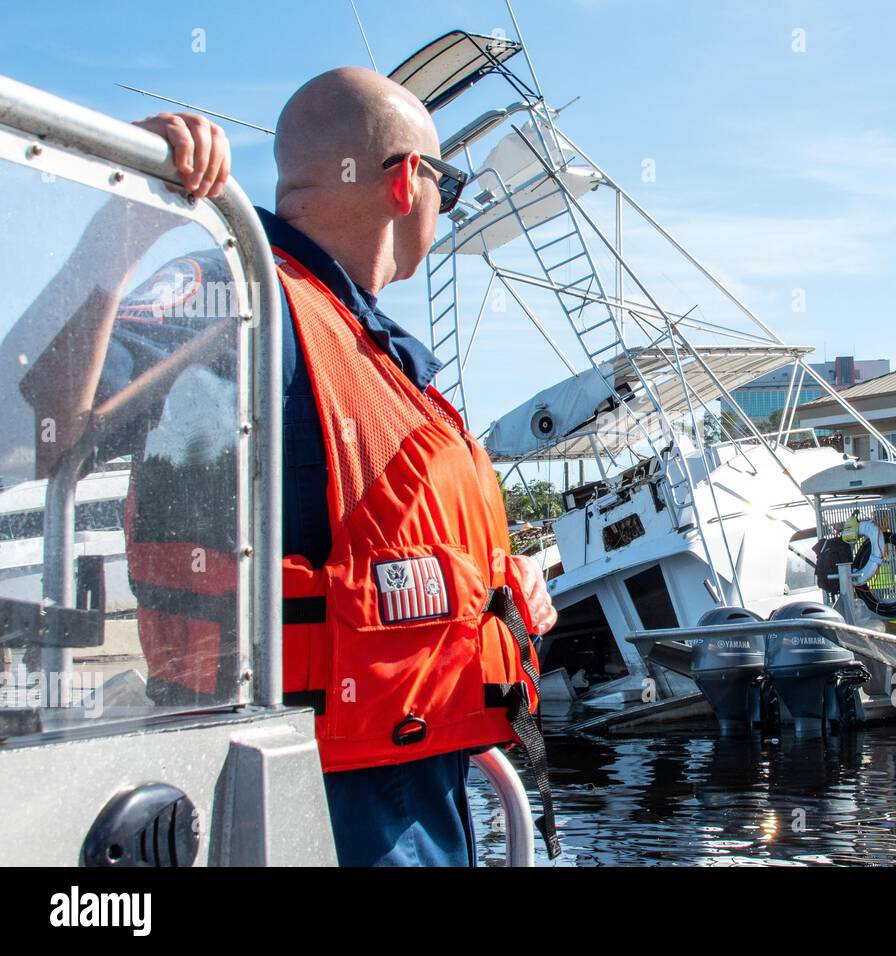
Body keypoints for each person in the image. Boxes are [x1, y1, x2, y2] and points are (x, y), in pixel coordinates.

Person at [17, 68, 558, 865]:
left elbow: (375, 545)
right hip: (326, 813)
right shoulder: (238, 297)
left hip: (412, 791)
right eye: (450, 180)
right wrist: (122, 230)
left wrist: (500, 590)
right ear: (410, 180)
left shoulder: (366, 342)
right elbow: (30, 432)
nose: (448, 201)